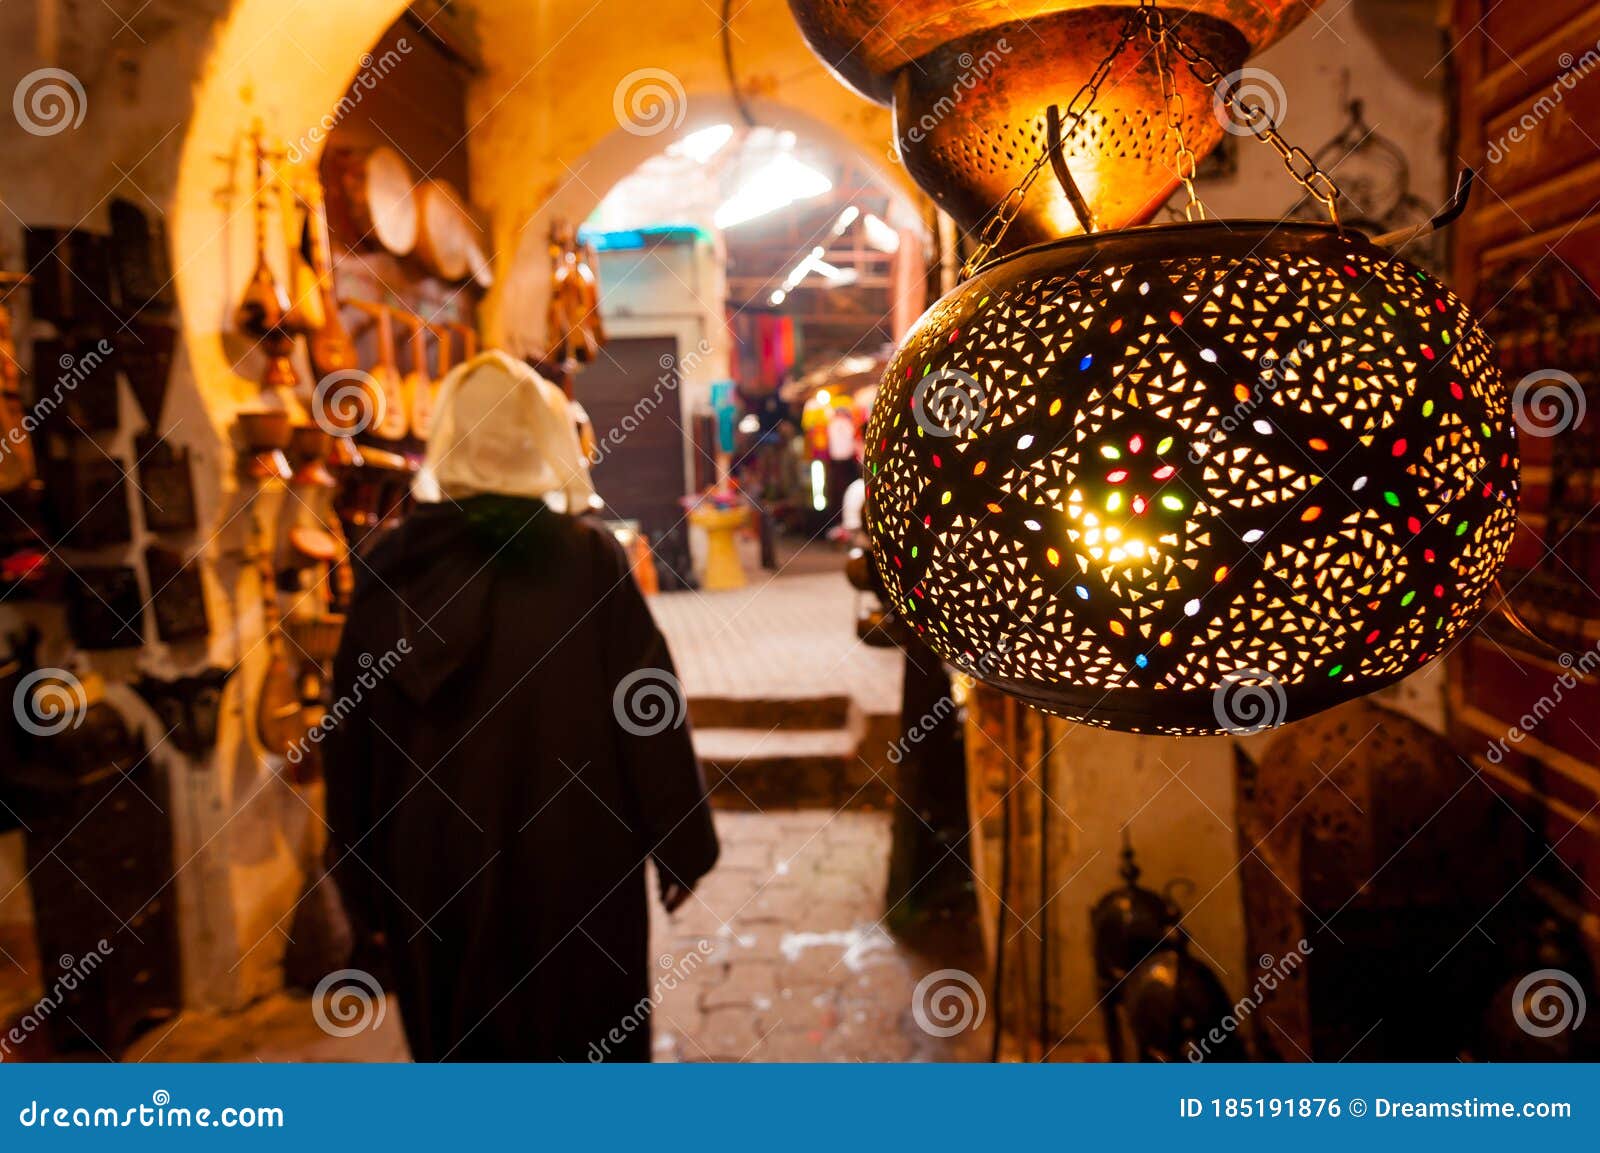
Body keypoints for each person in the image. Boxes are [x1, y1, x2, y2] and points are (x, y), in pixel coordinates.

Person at [324, 350, 719, 1062]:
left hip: (433, 874)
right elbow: (648, 708)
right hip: (576, 870)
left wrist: (363, 882)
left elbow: (351, 745)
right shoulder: (587, 561)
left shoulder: (388, 572)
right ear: (543, 440)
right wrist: (681, 837)